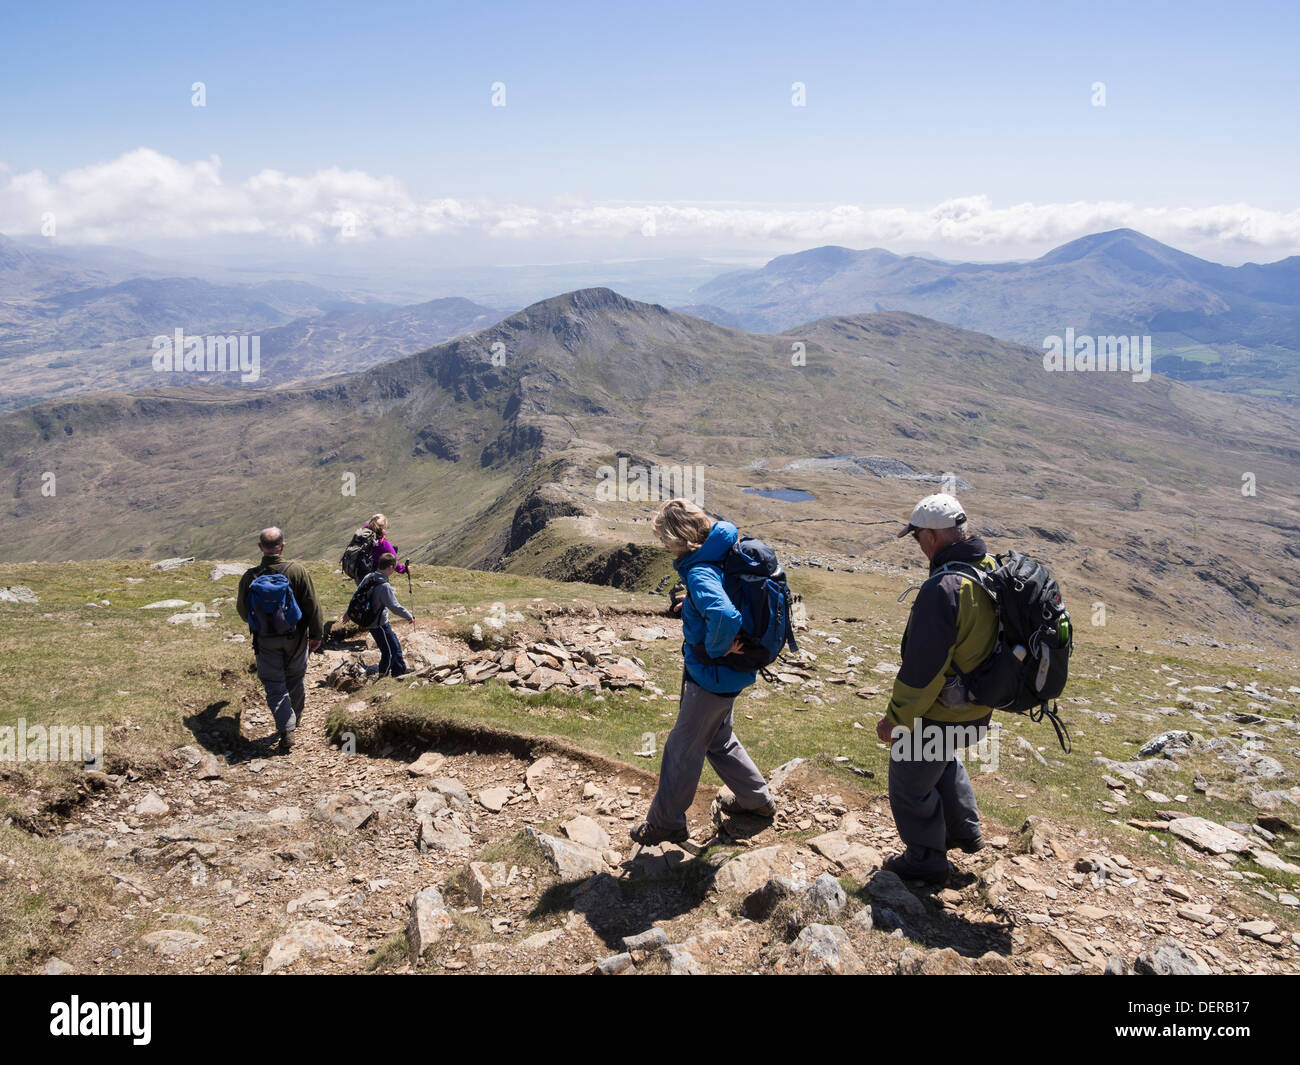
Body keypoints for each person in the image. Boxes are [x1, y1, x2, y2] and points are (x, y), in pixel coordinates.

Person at [630, 498, 775, 846]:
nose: (663, 546)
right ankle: (757, 801)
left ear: (680, 537)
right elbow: (719, 601)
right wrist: (691, 605)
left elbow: (725, 615)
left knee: (682, 748)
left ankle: (666, 822)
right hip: (729, 675)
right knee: (719, 740)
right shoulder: (720, 552)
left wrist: (715, 648)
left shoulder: (699, 570)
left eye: (665, 538)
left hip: (711, 675)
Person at [876, 493, 997, 883]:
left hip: (943, 710)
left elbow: (923, 672)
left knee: (909, 783)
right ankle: (964, 830)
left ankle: (926, 861)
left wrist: (895, 720)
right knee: (941, 757)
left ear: (932, 536)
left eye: (916, 537)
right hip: (979, 705)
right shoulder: (989, 567)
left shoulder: (944, 588)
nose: (918, 546)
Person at [236, 527, 324, 752]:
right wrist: (316, 635)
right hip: (295, 638)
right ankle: (295, 719)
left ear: (260, 547)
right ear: (282, 546)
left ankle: (287, 728)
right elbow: (312, 605)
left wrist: (262, 624)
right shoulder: (297, 571)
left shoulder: (250, 576)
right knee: (295, 678)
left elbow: (243, 610)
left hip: (265, 639)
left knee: (274, 684)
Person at [340, 552, 414, 678]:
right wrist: (408, 616)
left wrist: (348, 613)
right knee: (389, 651)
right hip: (377, 623)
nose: (394, 570)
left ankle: (399, 670)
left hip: (373, 621)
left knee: (393, 645)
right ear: (390, 567)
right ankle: (383, 675)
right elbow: (394, 607)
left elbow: (356, 594)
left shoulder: (369, 576)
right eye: (394, 567)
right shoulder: (384, 586)